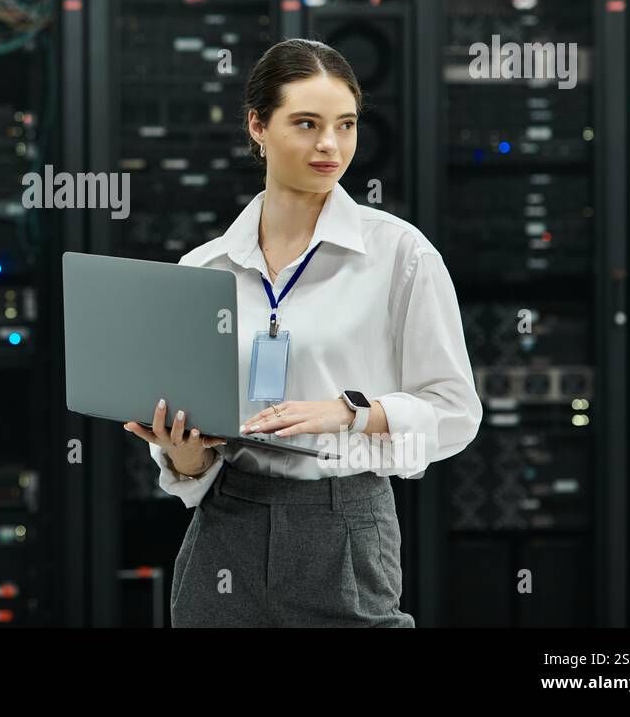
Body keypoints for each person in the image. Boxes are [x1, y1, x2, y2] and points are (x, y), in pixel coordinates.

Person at [124, 38, 482, 627]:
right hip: (225, 530)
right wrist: (184, 458)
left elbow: (455, 415)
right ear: (257, 126)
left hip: (346, 522)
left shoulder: (399, 254)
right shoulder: (204, 269)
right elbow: (191, 466)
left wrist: (353, 413)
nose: (330, 145)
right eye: (307, 123)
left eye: (345, 125)